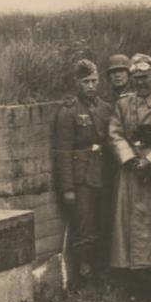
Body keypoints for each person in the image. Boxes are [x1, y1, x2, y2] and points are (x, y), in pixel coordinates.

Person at [108, 54, 151, 292]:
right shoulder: (124, 103)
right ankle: (131, 276)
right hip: (131, 170)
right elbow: (115, 133)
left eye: (145, 77)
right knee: (129, 222)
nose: (140, 82)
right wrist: (129, 158)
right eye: (136, 78)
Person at [54, 59, 114, 287]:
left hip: (103, 173)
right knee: (84, 226)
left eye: (94, 81)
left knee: (104, 222)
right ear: (77, 83)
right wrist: (67, 188)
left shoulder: (105, 108)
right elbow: (63, 152)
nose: (90, 86)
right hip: (82, 177)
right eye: (86, 82)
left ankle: (102, 272)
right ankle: (83, 275)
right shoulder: (68, 111)